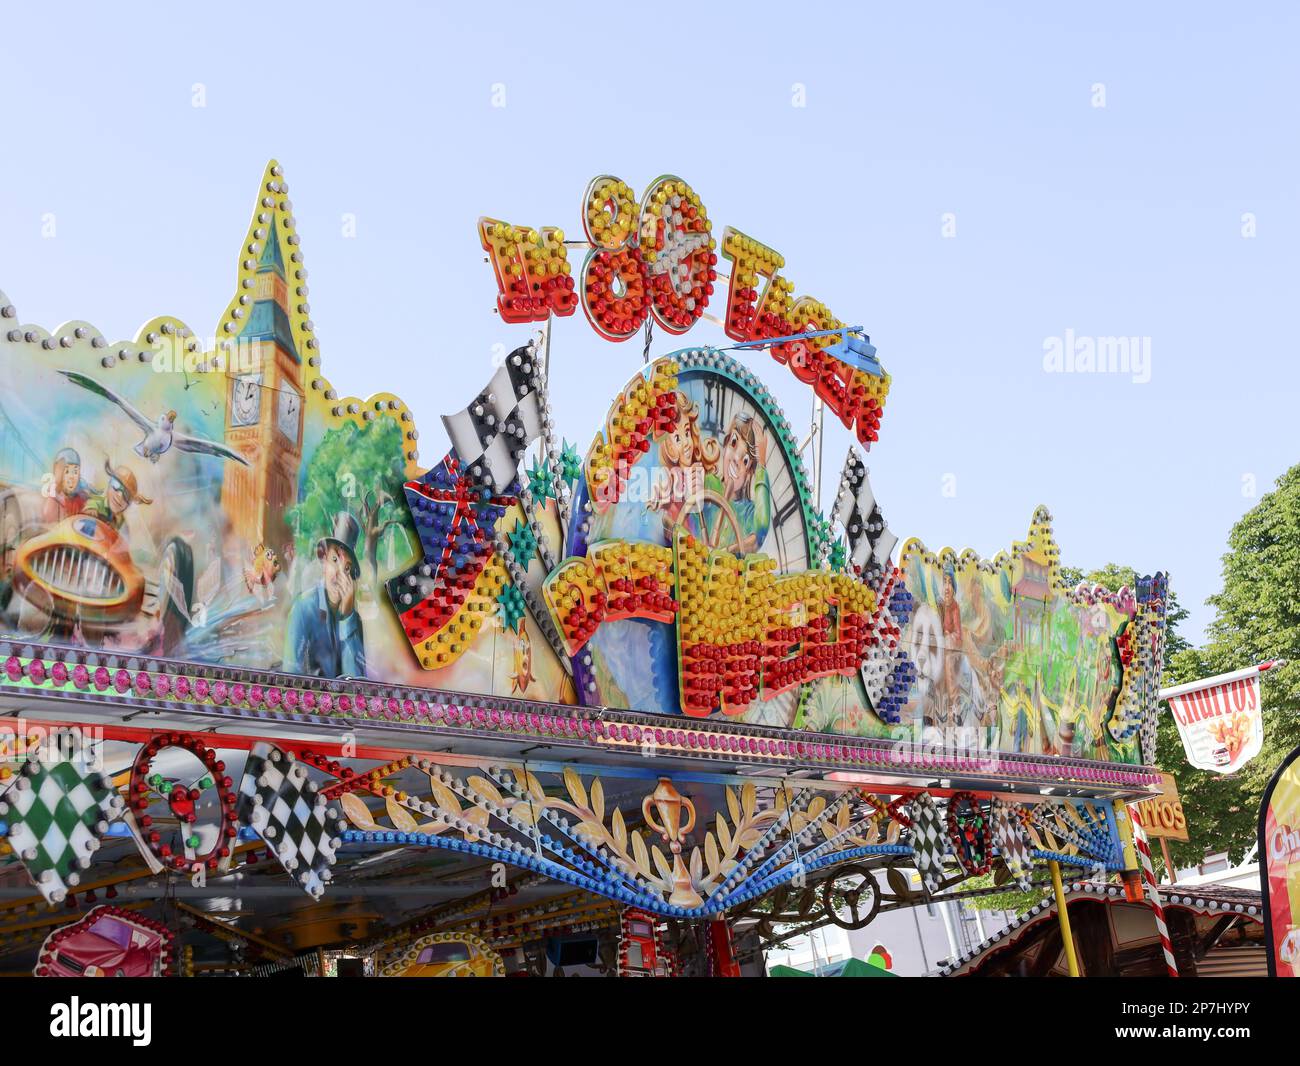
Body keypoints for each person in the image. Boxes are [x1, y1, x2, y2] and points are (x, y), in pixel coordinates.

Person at [283, 512, 366, 679]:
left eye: (347, 567)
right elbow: (290, 677)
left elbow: (357, 685)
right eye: (335, 560)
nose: (339, 573)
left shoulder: (353, 619)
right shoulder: (303, 608)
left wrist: (347, 618)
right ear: (324, 562)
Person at [83, 459, 152, 533]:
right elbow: (89, 507)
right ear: (109, 484)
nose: (120, 496)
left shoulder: (122, 521)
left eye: (127, 496)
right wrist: (91, 511)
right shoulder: (97, 502)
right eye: (116, 485)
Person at [41, 447, 93, 523]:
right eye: (67, 471)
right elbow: (49, 518)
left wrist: (91, 509)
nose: (71, 477)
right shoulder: (54, 498)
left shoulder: (82, 498)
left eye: (75, 472)